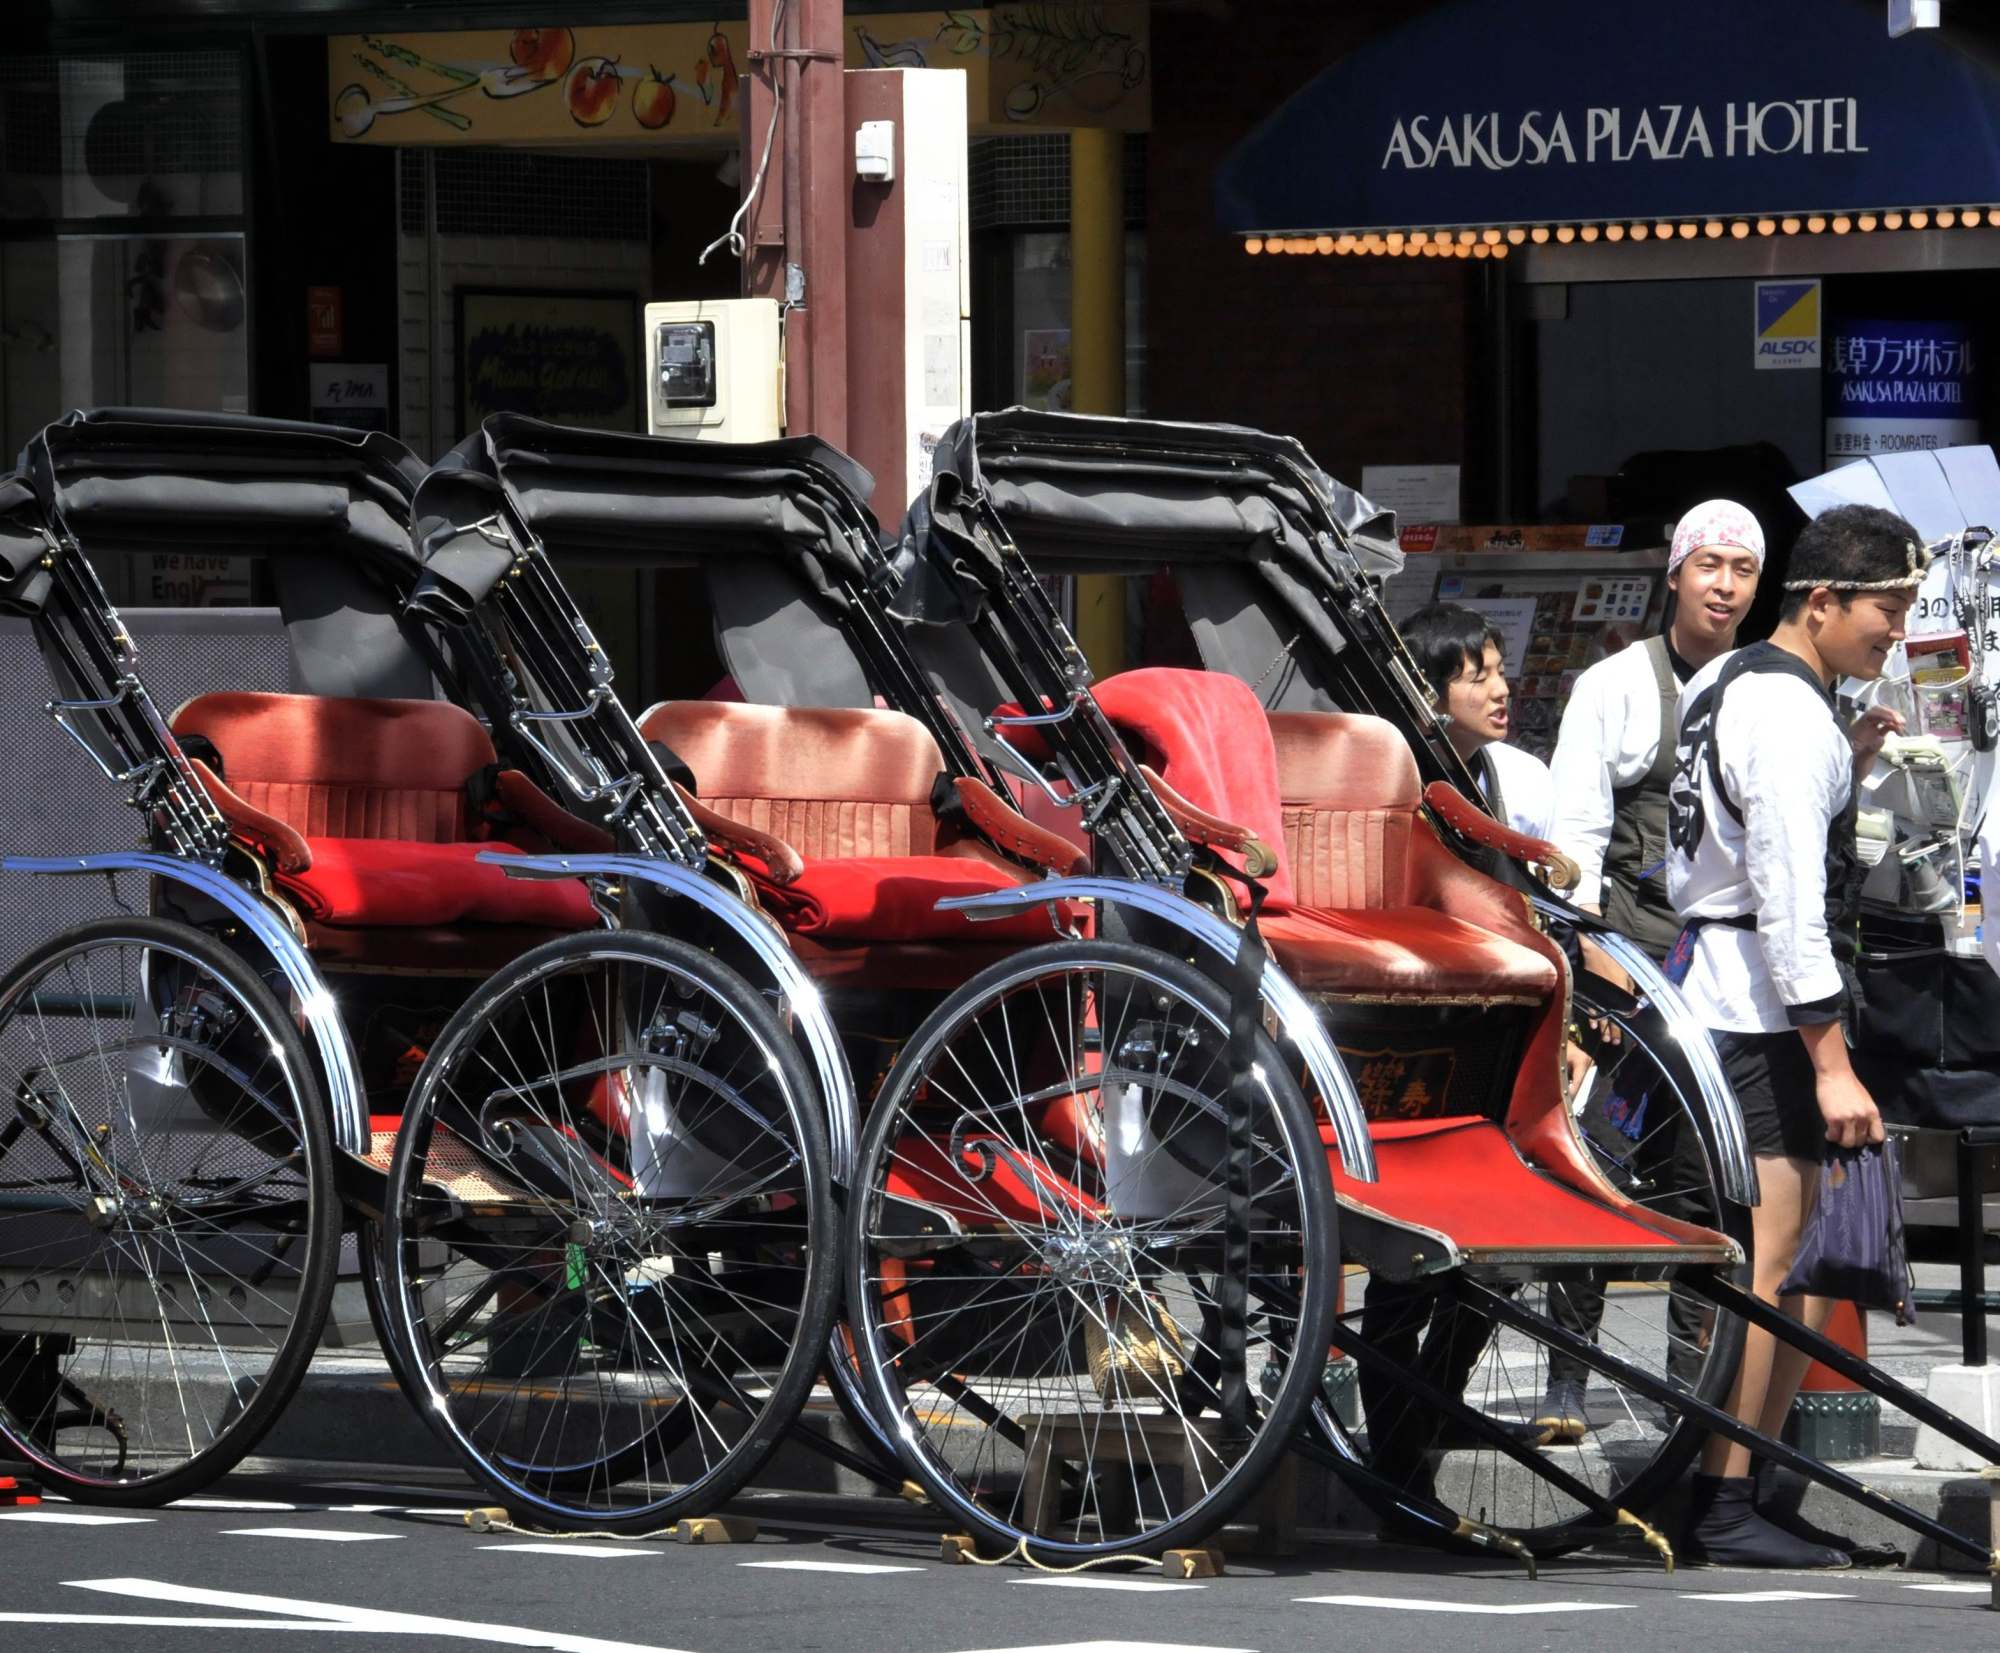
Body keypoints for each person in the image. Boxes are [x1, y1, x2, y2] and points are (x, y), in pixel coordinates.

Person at [1666, 503, 1918, 1569]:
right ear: (1820, 601)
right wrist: (1829, 1062)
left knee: (1788, 1261)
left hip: (1725, 986)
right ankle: (1725, 1499)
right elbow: (1782, 897)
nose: (1895, 632)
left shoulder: (1732, 684)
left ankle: (1753, 1485)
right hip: (1755, 1006)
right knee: (1771, 1260)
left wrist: (1843, 757)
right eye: (1885, 610)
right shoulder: (1787, 717)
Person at [1533, 500, 1764, 1443]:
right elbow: (1574, 832)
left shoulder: (1765, 687)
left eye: (1742, 569)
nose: (1723, 584)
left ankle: (1688, 1392)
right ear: (1674, 573)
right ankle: (1565, 1383)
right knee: (1598, 1168)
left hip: (1725, 969)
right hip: (1627, 955)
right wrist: (1585, 968)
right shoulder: (1615, 684)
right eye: (1708, 563)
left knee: (1707, 1180)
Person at [1401, 602, 1553, 837]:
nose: (1501, 690)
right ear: (1426, 693)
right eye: (1479, 679)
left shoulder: (1524, 777)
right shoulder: (1388, 775)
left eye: (1501, 673)